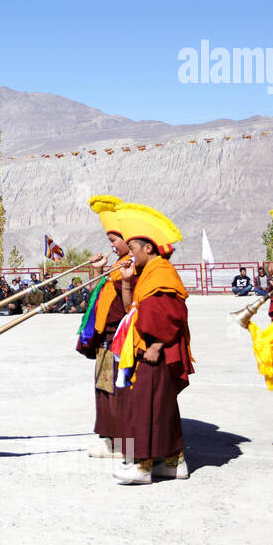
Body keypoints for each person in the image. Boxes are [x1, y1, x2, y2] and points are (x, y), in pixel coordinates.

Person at [110, 203, 194, 485]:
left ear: (148, 247)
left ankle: (143, 465)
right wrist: (126, 282)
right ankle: (173, 462)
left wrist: (156, 346)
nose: (129, 252)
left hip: (156, 350)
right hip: (143, 348)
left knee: (145, 406)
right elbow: (130, 311)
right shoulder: (146, 273)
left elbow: (172, 313)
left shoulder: (162, 272)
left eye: (133, 247)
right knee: (161, 407)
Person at [78, 195, 131, 459]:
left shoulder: (131, 266)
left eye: (113, 240)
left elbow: (126, 304)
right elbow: (101, 299)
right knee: (104, 388)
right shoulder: (118, 265)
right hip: (105, 339)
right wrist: (99, 271)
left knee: (117, 391)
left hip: (118, 340)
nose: (110, 246)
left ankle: (124, 444)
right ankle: (110, 440)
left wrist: (124, 280)